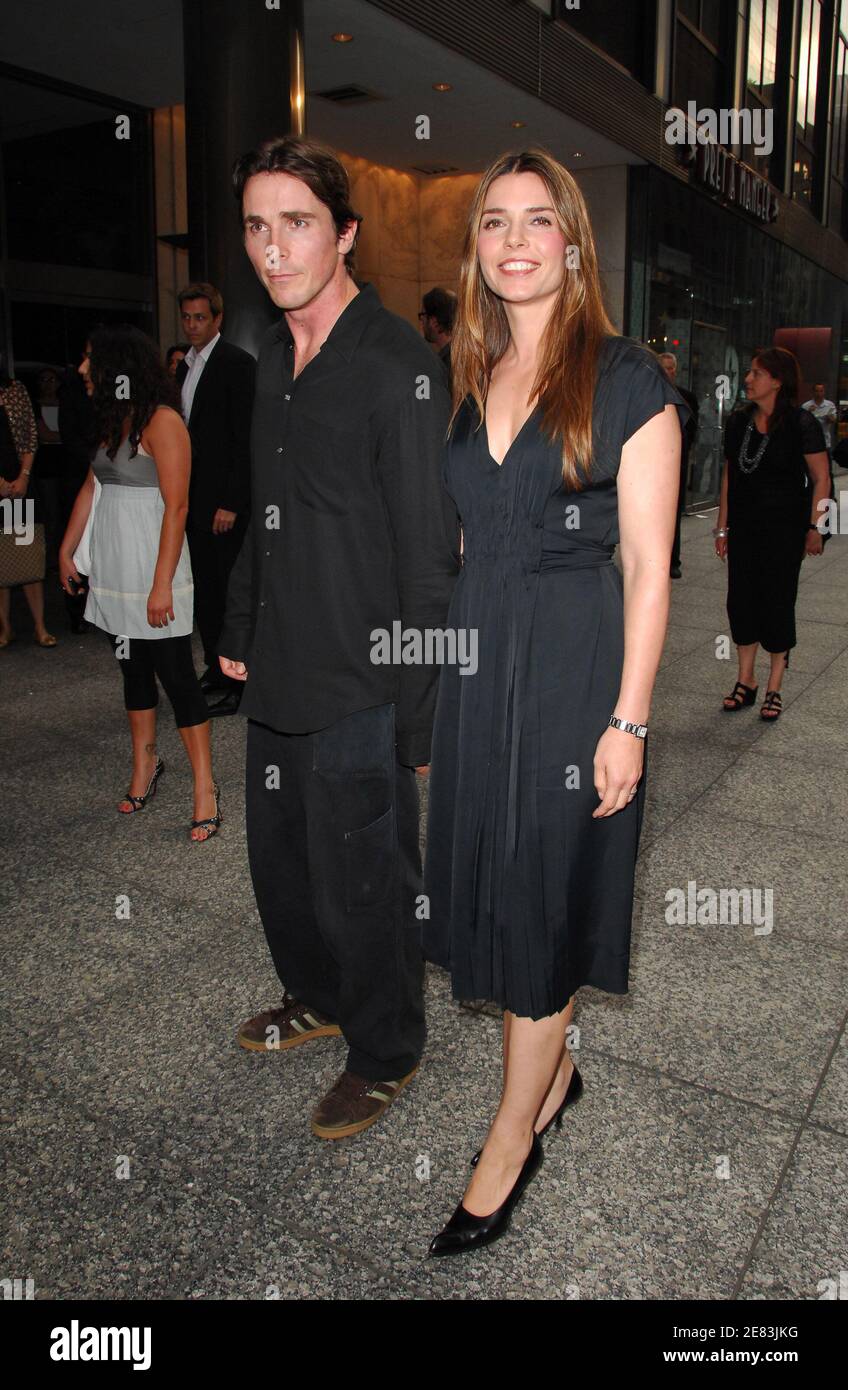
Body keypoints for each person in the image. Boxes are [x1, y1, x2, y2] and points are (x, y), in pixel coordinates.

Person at [421, 147, 688, 1257]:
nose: (514, 240)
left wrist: (625, 719)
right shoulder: (469, 374)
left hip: (576, 671)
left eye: (537, 221)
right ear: (477, 249)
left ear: (571, 244)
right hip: (481, 672)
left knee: (538, 897)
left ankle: (508, 1138)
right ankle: (558, 1069)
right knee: (488, 883)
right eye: (493, 223)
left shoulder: (627, 379)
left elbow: (642, 565)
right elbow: (462, 542)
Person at [218, 136, 459, 1140]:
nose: (273, 249)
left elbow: (425, 555)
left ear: (345, 233)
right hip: (276, 666)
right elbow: (262, 507)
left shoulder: (396, 363)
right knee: (282, 866)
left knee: (369, 882)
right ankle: (316, 997)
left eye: (298, 224)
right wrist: (235, 627)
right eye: (256, 227)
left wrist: (416, 714)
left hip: (363, 681)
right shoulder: (270, 355)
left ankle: (386, 1048)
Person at [58, 326, 222, 842]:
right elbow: (92, 485)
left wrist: (161, 585)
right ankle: (145, 767)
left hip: (153, 565)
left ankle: (205, 788)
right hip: (114, 567)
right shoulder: (115, 420)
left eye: (91, 361)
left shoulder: (163, 420)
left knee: (177, 675)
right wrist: (66, 549)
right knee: (132, 669)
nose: (83, 371)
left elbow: (177, 506)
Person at [716, 348, 830, 722]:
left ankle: (775, 685)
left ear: (778, 381)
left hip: (785, 530)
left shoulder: (801, 424)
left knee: (778, 602)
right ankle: (745, 680)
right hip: (746, 529)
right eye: (749, 373)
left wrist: (816, 527)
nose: (748, 379)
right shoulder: (738, 423)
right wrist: (722, 525)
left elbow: (821, 478)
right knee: (742, 601)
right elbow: (730, 476)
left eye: (757, 373)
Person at [175, 284, 255, 717]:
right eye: (186, 317)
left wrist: (232, 501)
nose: (192, 325)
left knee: (228, 592)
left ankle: (239, 678)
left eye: (200, 317)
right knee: (204, 589)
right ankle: (214, 667)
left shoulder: (237, 365)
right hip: (191, 500)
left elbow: (246, 441)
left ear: (218, 319)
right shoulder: (183, 368)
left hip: (224, 505)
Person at [0, 354, 56, 648]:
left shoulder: (14, 390)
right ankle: (5, 628)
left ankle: (39, 626)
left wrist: (22, 476)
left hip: (18, 486)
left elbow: (30, 437)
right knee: (1, 558)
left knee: (25, 552)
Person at [657, 351, 699, 577]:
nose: (668, 372)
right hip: (651, 466)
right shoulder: (648, 395)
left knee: (673, 513)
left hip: (677, 463)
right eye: (664, 367)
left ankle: (673, 560)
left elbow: (691, 430)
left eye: (671, 368)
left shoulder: (687, 397)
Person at [419, 287, 457, 387]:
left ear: (434, 322)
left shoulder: (443, 366)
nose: (421, 321)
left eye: (422, 315)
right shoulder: (462, 355)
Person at [801, 383, 837, 471]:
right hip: (809, 441)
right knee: (810, 469)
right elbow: (800, 423)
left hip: (825, 440)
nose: (819, 393)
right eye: (817, 391)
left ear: (824, 392)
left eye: (821, 391)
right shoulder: (806, 406)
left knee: (827, 469)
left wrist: (829, 418)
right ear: (813, 392)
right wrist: (808, 413)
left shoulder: (830, 405)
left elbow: (833, 420)